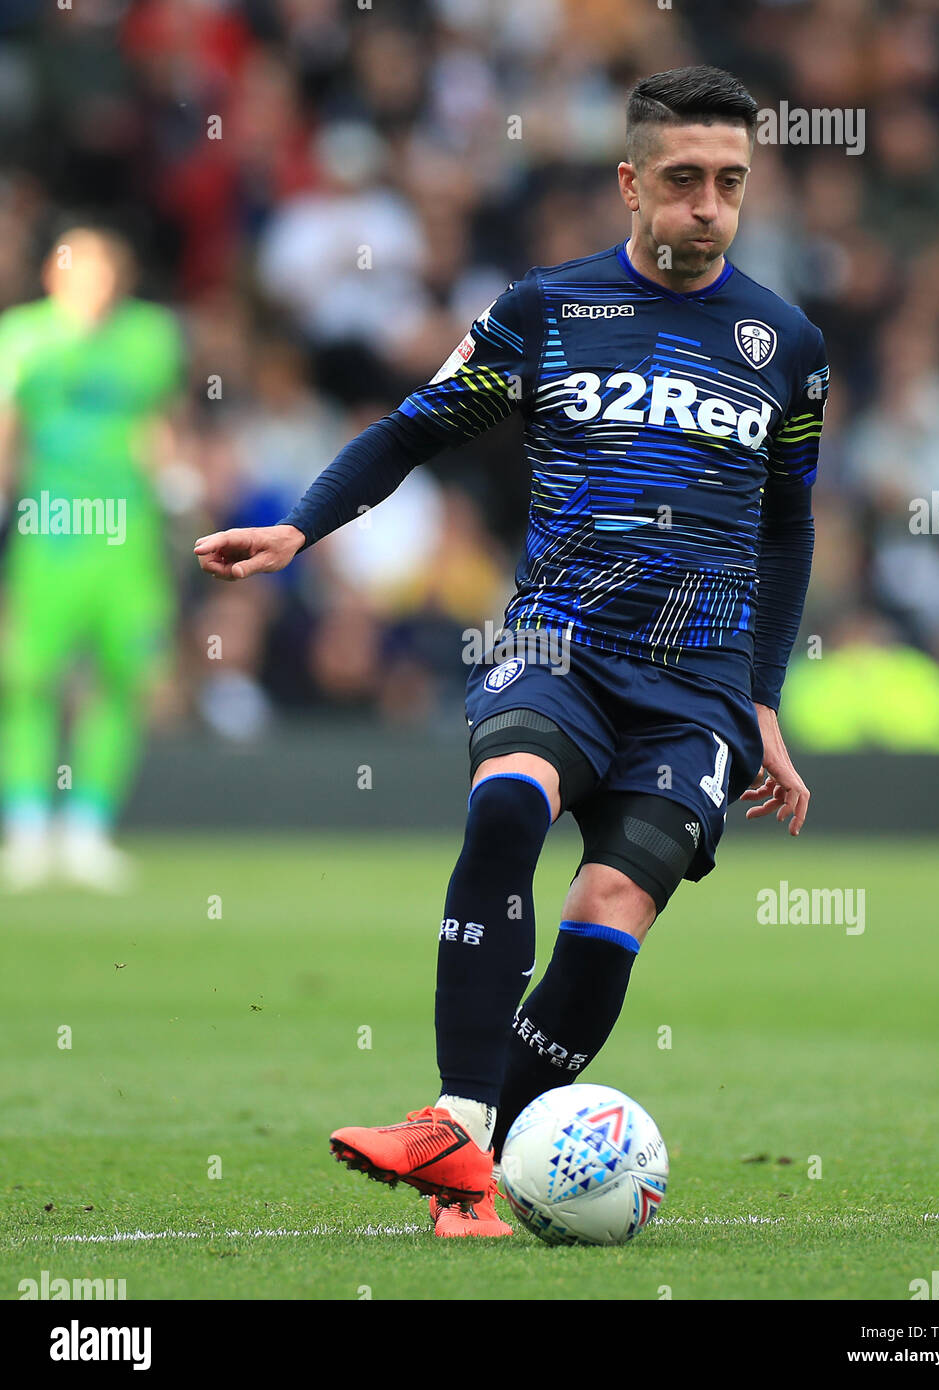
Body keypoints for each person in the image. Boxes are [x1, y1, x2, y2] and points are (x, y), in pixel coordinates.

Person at [194, 65, 829, 1237]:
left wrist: (764, 700)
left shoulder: (784, 346)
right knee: (506, 809)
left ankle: (476, 1169)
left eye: (730, 183)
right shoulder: (548, 311)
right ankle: (453, 1117)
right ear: (630, 182)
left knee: (604, 913)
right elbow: (413, 426)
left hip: (693, 692)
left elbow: (788, 526)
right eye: (683, 180)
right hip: (558, 647)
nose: (707, 206)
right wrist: (300, 525)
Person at [0, 227, 182, 892]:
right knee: (26, 677)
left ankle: (86, 826)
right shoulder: (21, 336)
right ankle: (24, 827)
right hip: (49, 527)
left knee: (124, 677)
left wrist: (180, 495)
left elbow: (158, 427)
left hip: (127, 532)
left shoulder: (153, 338)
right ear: (52, 273)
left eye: (103, 267)